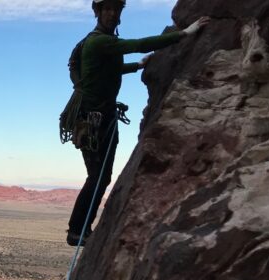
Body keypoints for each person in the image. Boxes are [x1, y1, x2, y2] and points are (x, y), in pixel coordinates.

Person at [62, 0, 210, 246]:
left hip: (97, 117)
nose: (111, 13)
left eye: (115, 9)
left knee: (100, 177)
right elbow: (138, 45)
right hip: (93, 120)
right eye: (106, 9)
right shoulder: (99, 41)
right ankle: (77, 231)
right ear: (98, 12)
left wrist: (136, 66)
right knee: (98, 177)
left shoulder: (97, 42)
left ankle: (80, 229)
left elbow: (105, 71)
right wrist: (184, 33)